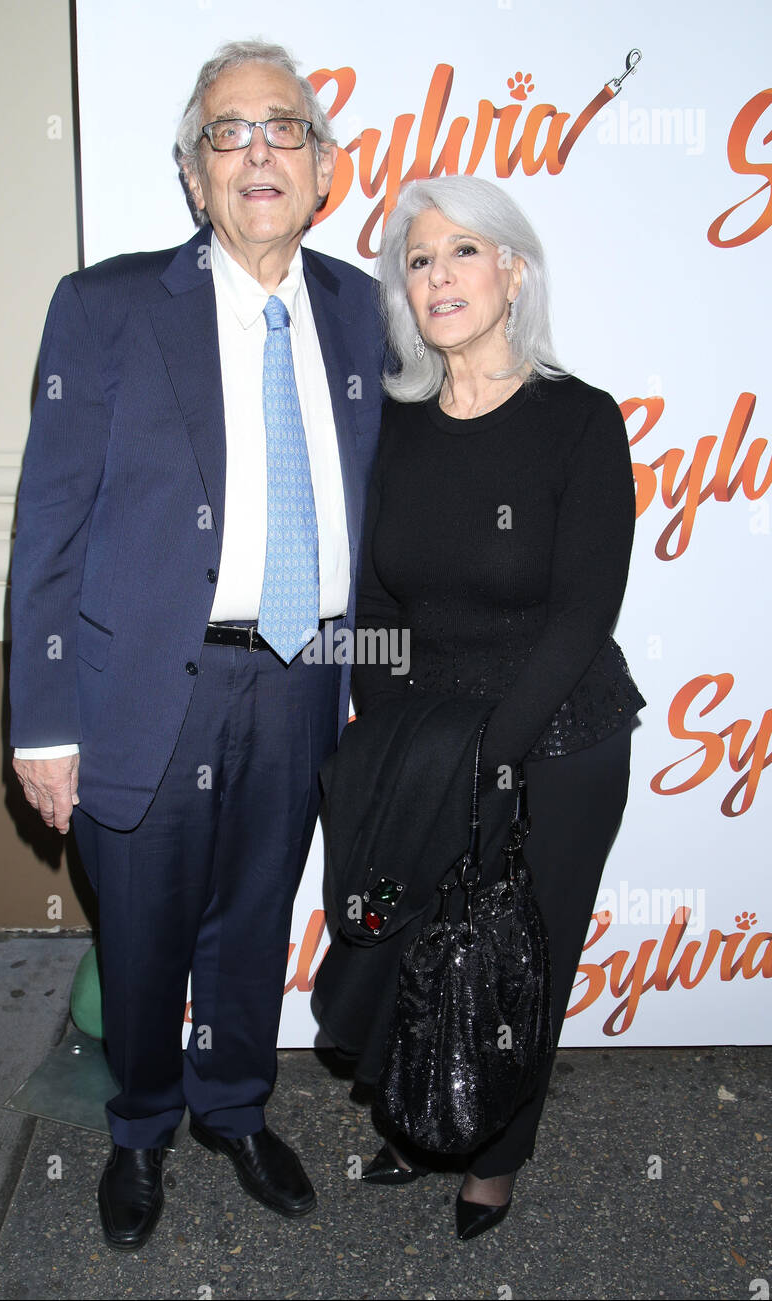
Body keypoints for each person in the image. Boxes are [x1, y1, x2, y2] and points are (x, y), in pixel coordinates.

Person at [9, 39, 383, 1250]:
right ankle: (142, 1124)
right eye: (230, 132)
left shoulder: (364, 313)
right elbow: (50, 526)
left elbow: (389, 512)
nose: (259, 151)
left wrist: (377, 675)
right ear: (191, 173)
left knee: (256, 912)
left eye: (284, 128)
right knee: (148, 923)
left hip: (306, 676)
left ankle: (233, 1103)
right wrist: (44, 721)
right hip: (144, 686)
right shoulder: (107, 308)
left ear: (323, 168)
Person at [313, 174, 646, 1241]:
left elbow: (583, 613)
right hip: (424, 741)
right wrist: (391, 733)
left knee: (515, 963)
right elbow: (371, 602)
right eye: (418, 261)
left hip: (554, 741)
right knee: (417, 948)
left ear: (512, 270)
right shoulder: (394, 428)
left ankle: (493, 1159)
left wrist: (488, 758)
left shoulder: (577, 421)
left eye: (462, 252)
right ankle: (422, 1119)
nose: (439, 276)